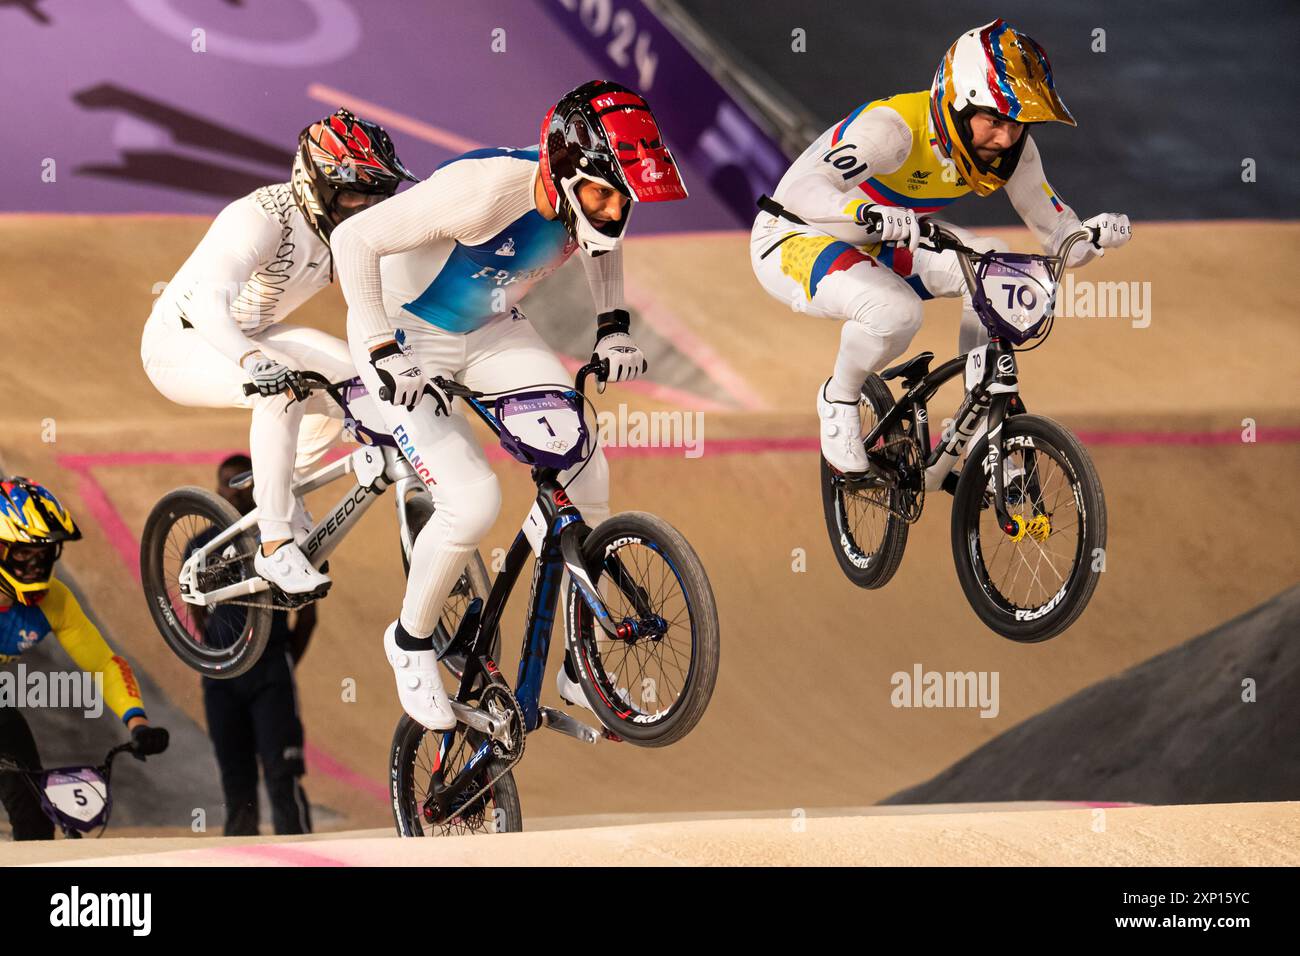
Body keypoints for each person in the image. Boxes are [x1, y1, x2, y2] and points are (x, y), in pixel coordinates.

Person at [330, 80, 687, 730]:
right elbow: (353, 240)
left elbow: (602, 248)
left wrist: (612, 326)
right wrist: (382, 348)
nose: (613, 212)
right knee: (473, 503)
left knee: (583, 466)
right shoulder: (484, 191)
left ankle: (588, 664)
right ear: (564, 173)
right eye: (603, 195)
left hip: (491, 328)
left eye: (623, 198)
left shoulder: (590, 202)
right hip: (406, 334)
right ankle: (408, 644)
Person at [750, 18, 1133, 473]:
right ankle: (839, 397)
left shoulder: (1013, 151)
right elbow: (797, 193)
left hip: (881, 237)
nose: (1006, 138)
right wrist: (864, 212)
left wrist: (1091, 236)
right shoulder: (893, 131)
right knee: (896, 312)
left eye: (1018, 124)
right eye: (994, 120)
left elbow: (1063, 240)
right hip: (795, 235)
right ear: (956, 105)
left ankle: (977, 419)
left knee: (999, 267)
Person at [141, 109, 418, 595]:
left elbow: (394, 303)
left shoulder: (349, 228)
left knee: (356, 381)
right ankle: (273, 545)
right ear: (316, 186)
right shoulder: (258, 220)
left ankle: (281, 492)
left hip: (255, 334)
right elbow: (208, 307)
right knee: (282, 390)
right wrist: (253, 362)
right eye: (355, 195)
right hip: (182, 343)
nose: (365, 210)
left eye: (376, 198)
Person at [0, 477, 169, 840]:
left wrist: (137, 723)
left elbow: (104, 664)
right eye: (24, 554)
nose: (35, 566)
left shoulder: (53, 602)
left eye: (43, 555)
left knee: (33, 811)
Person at [194, 455, 314, 836]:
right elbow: (196, 609)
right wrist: (214, 647)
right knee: (235, 779)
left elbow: (308, 616)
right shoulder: (199, 547)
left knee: (282, 777)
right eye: (224, 482)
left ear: (257, 488)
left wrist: (283, 659)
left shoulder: (283, 543)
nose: (230, 489)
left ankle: (303, 860)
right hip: (221, 678)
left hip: (270, 676)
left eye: (239, 482)